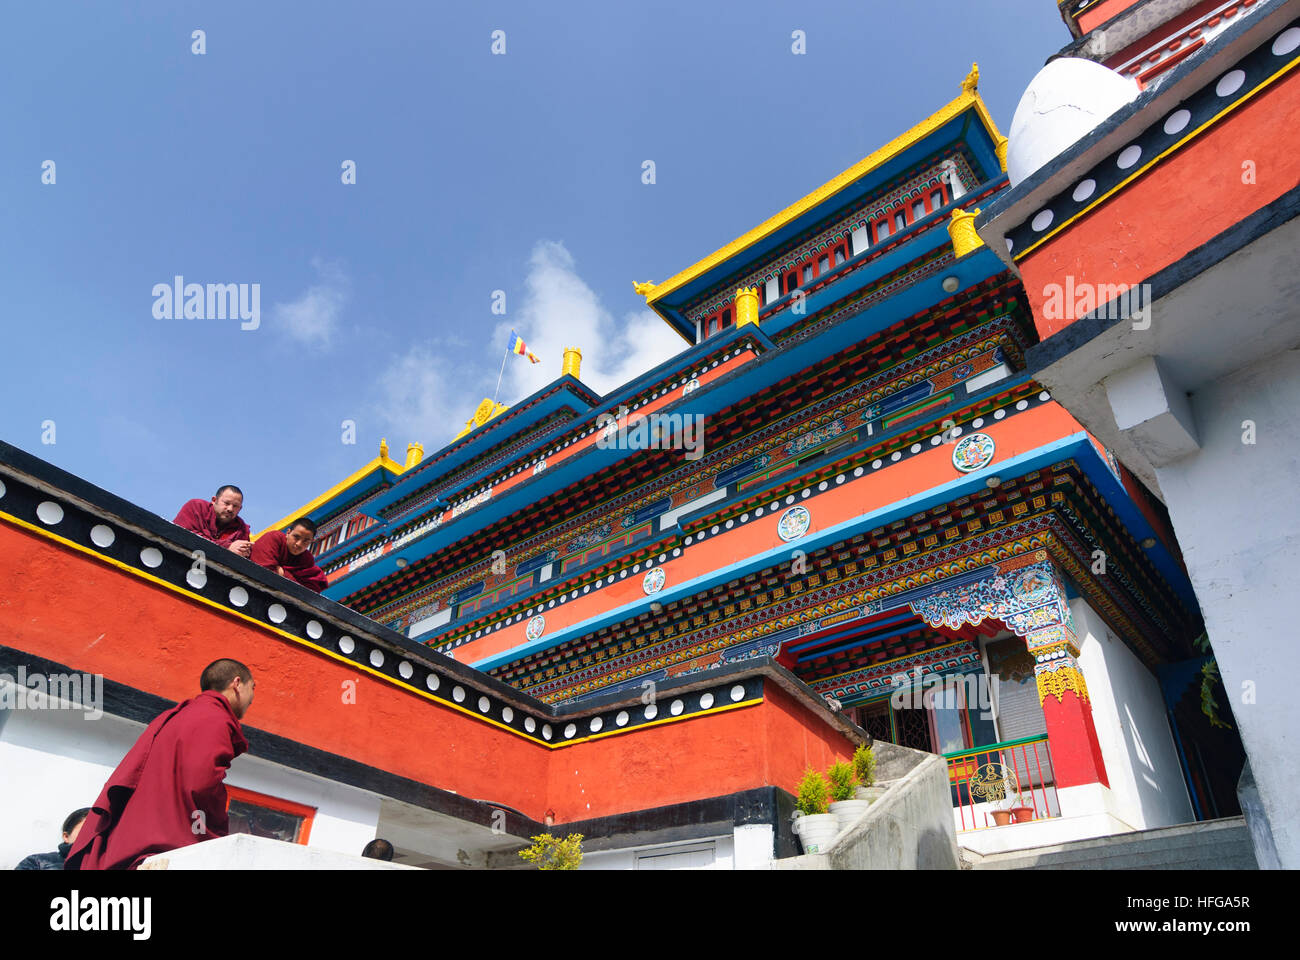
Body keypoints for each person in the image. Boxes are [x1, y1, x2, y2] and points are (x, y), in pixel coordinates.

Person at [65, 659, 254, 870]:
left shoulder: (176, 715)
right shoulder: (215, 718)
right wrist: (215, 834)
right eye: (252, 688)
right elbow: (201, 783)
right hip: (161, 848)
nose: (252, 699)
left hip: (132, 839)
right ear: (237, 684)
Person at [250, 518, 328, 593]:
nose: (299, 544)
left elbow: (310, 591)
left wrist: (282, 573)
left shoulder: (307, 559)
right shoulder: (274, 538)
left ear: (311, 542)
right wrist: (290, 578)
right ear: (288, 533)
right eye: (296, 537)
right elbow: (262, 571)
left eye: (306, 541)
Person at [173, 486, 253, 558]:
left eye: (235, 506)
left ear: (240, 508)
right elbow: (183, 535)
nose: (230, 509)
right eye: (226, 503)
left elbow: (242, 558)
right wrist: (227, 547)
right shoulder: (196, 507)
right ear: (214, 500)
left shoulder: (241, 529)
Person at [14, 808, 91, 870]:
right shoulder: (37, 862)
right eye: (86, 830)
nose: (92, 837)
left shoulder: (102, 865)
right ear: (66, 836)